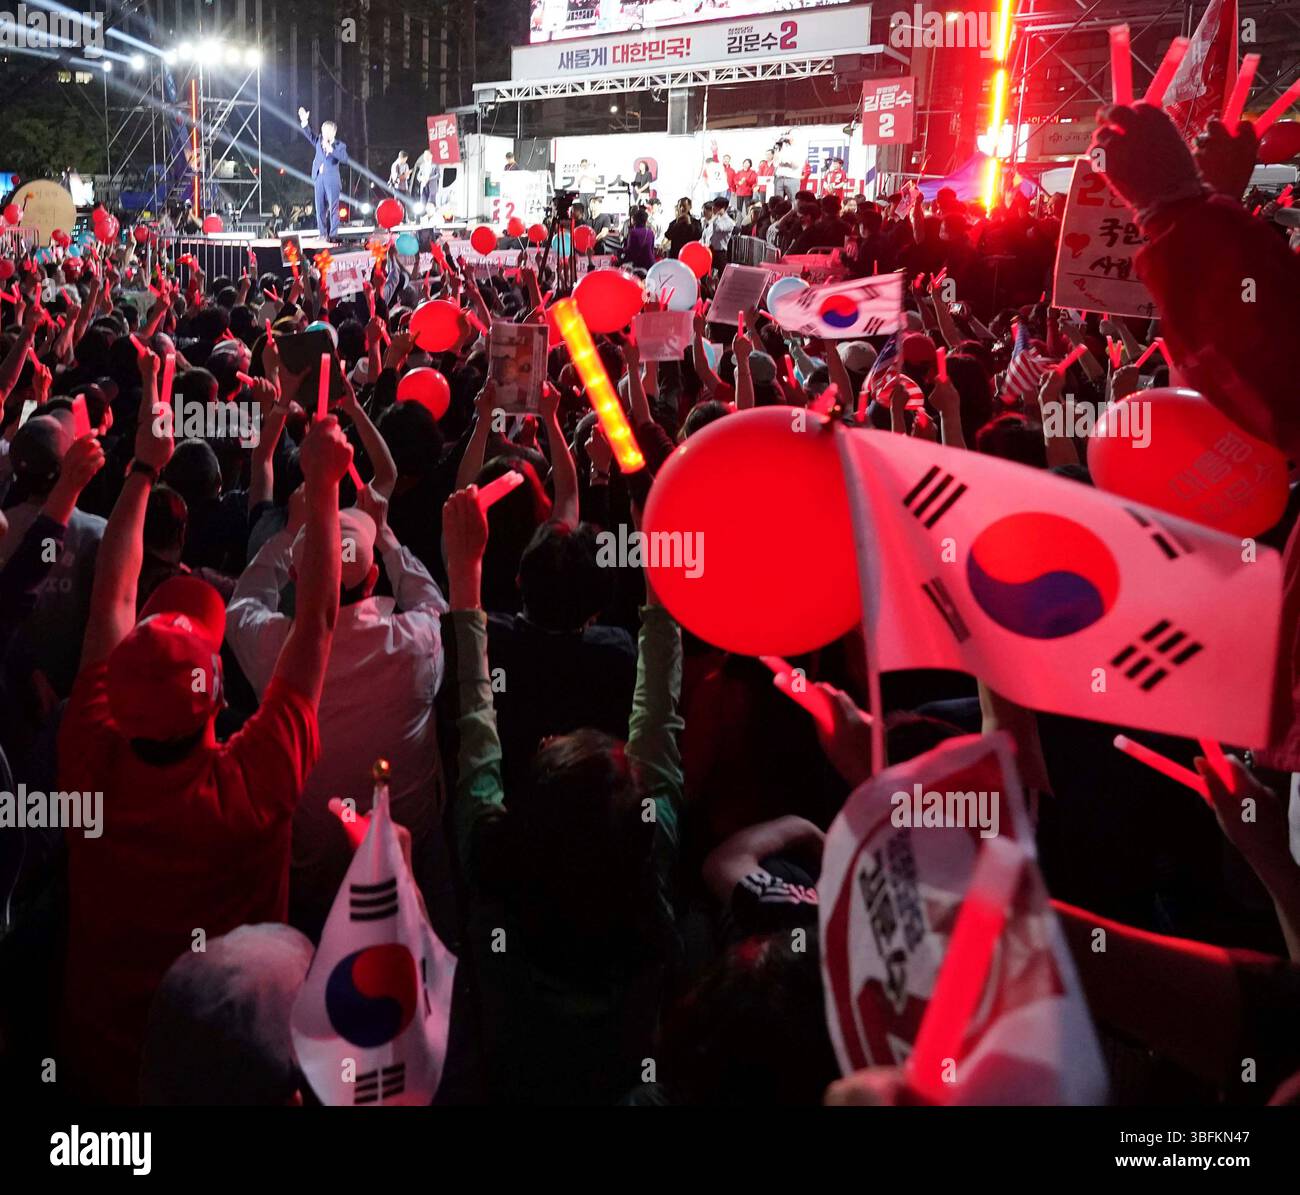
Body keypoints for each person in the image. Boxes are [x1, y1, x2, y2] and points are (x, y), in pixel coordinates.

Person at [55, 347, 352, 1102]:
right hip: (242, 1072)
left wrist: (142, 472)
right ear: (219, 699)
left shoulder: (89, 759)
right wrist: (320, 484)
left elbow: (109, 607)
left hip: (105, 1070)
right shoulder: (249, 783)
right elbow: (316, 619)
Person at [297, 107, 349, 239]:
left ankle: (333, 234)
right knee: (319, 208)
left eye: (327, 131)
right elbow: (309, 134)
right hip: (319, 178)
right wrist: (304, 122)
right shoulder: (319, 141)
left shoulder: (339, 145)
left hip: (332, 180)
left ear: (333, 132)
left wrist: (331, 150)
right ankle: (322, 233)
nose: (324, 133)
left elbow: (344, 159)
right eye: (323, 130)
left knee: (333, 208)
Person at [621, 206, 657, 271]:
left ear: (635, 220)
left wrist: (621, 250)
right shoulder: (650, 232)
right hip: (650, 262)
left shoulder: (633, 232)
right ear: (646, 220)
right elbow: (652, 249)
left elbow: (630, 250)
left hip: (638, 263)